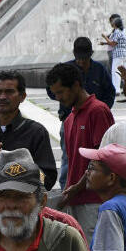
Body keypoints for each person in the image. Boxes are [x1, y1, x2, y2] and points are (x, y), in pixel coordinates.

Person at [50, 61, 117, 234]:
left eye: (61, 92)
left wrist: (78, 187)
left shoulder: (98, 111)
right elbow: (70, 163)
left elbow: (103, 157)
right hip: (74, 200)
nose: (58, 98)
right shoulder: (69, 119)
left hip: (94, 200)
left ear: (76, 85)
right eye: (55, 94)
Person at [45, 37, 116, 120]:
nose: (81, 62)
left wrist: (102, 109)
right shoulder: (65, 70)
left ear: (91, 54)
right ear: (74, 54)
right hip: (69, 117)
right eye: (79, 58)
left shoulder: (100, 69)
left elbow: (110, 92)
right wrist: (64, 97)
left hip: (94, 117)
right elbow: (51, 89)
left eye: (85, 58)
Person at [104, 14, 126, 95]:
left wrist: (104, 37)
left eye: (113, 22)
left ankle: (116, 90)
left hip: (118, 55)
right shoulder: (123, 31)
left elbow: (113, 43)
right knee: (124, 72)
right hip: (124, 54)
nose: (111, 23)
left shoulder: (117, 31)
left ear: (115, 24)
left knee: (115, 71)